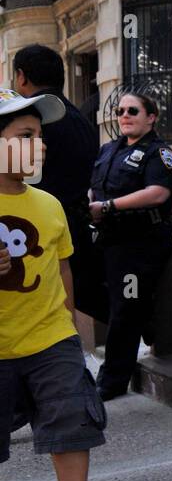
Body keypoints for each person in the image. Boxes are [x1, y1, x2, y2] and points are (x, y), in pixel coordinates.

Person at [0, 89, 120, 481]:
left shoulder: (49, 205)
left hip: (51, 338)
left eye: (41, 136)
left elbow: (63, 266)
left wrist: (69, 328)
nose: (42, 145)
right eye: (26, 136)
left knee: (72, 419)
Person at [88, 90, 172, 400]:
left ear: (151, 117)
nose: (124, 116)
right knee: (106, 298)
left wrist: (109, 206)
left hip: (140, 243)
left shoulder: (159, 153)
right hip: (110, 241)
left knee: (126, 308)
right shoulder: (108, 150)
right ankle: (148, 318)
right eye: (120, 111)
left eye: (133, 111)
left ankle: (111, 381)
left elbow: (157, 193)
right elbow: (95, 187)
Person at [13, 43, 100, 315]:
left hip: (38, 231)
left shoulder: (31, 118)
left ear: (22, 76)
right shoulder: (82, 119)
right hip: (75, 224)